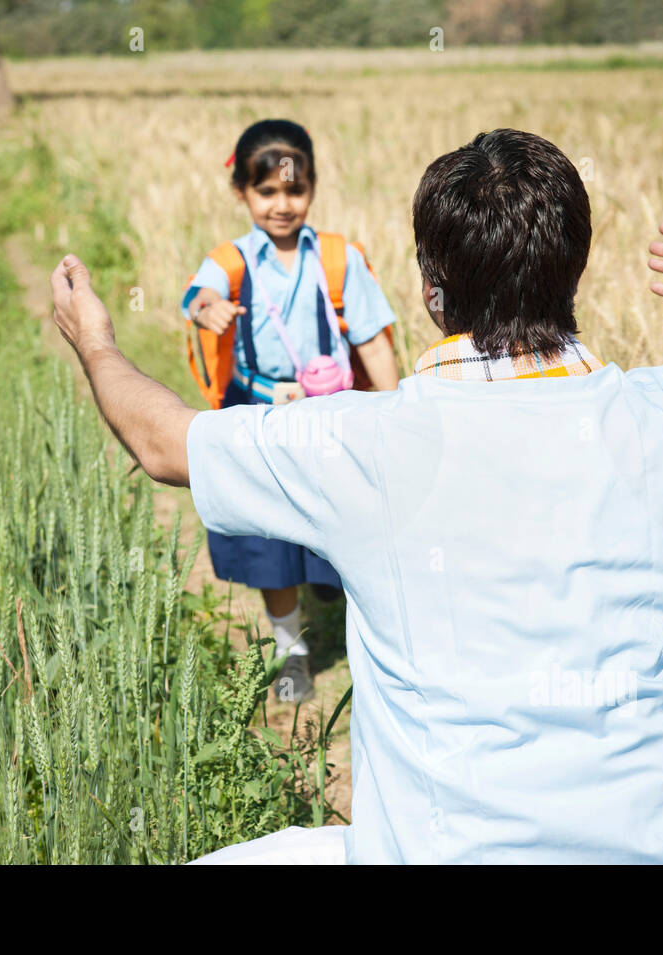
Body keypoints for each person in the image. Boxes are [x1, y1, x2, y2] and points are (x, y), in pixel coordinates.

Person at [48, 128, 663, 864]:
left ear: (430, 289)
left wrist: (94, 340)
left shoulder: (362, 444)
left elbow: (165, 442)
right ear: (575, 270)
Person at [181, 119, 400, 702]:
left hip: (330, 413)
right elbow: (198, 294)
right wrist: (208, 311)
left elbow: (374, 339)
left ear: (314, 187)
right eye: (268, 192)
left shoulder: (338, 258)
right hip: (257, 414)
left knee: (344, 526)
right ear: (242, 194)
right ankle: (291, 650)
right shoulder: (231, 262)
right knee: (269, 546)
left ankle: (343, 606)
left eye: (295, 191)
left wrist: (397, 412)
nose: (283, 205)